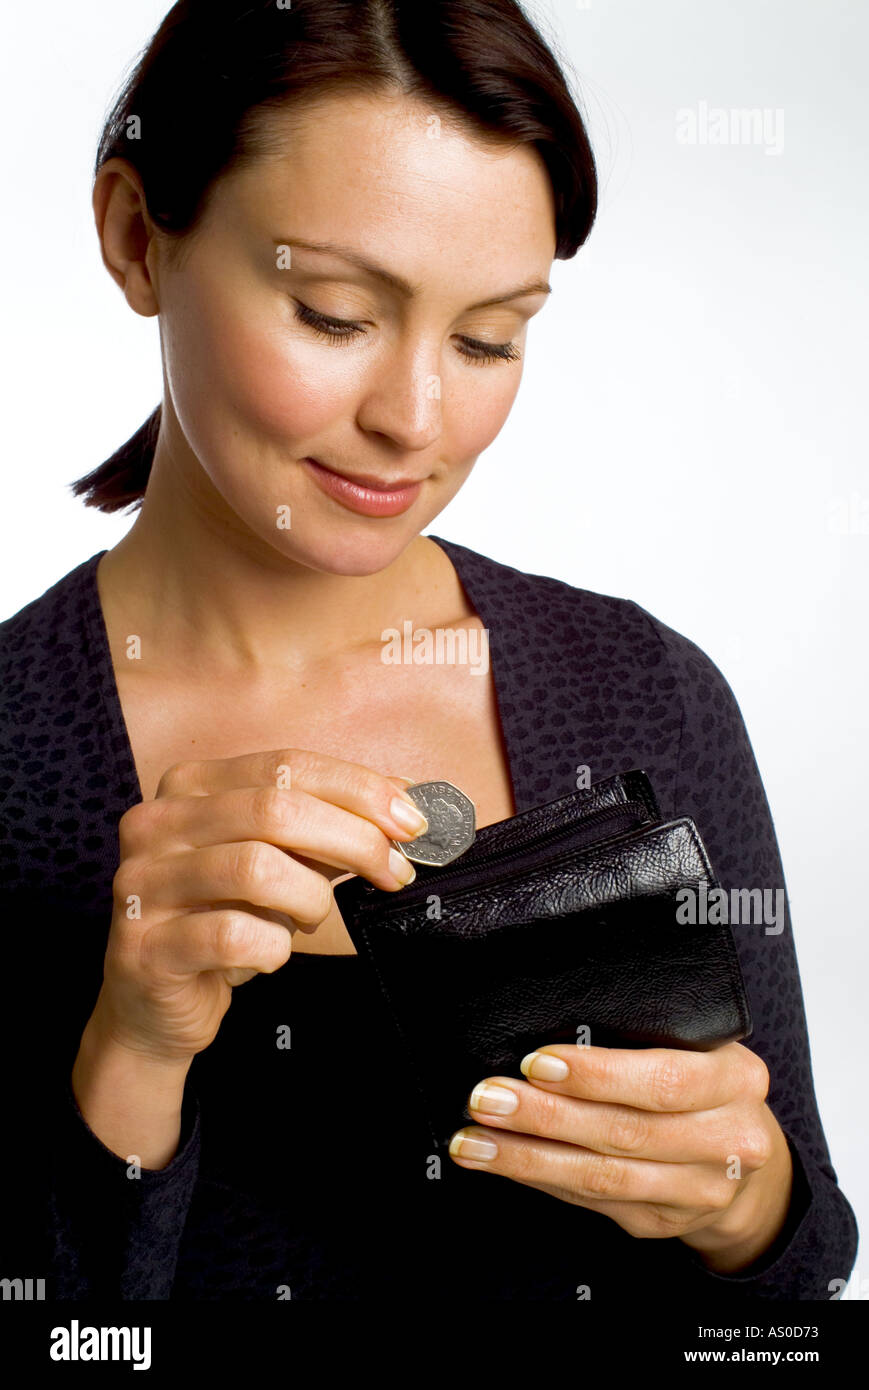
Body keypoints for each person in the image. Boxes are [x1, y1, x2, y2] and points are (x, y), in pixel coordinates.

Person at [0, 0, 857, 1302]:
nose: (413, 419)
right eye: (336, 313)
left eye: (488, 337)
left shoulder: (647, 693)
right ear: (135, 237)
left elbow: (796, 1286)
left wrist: (745, 1198)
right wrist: (131, 1052)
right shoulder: (14, 751)